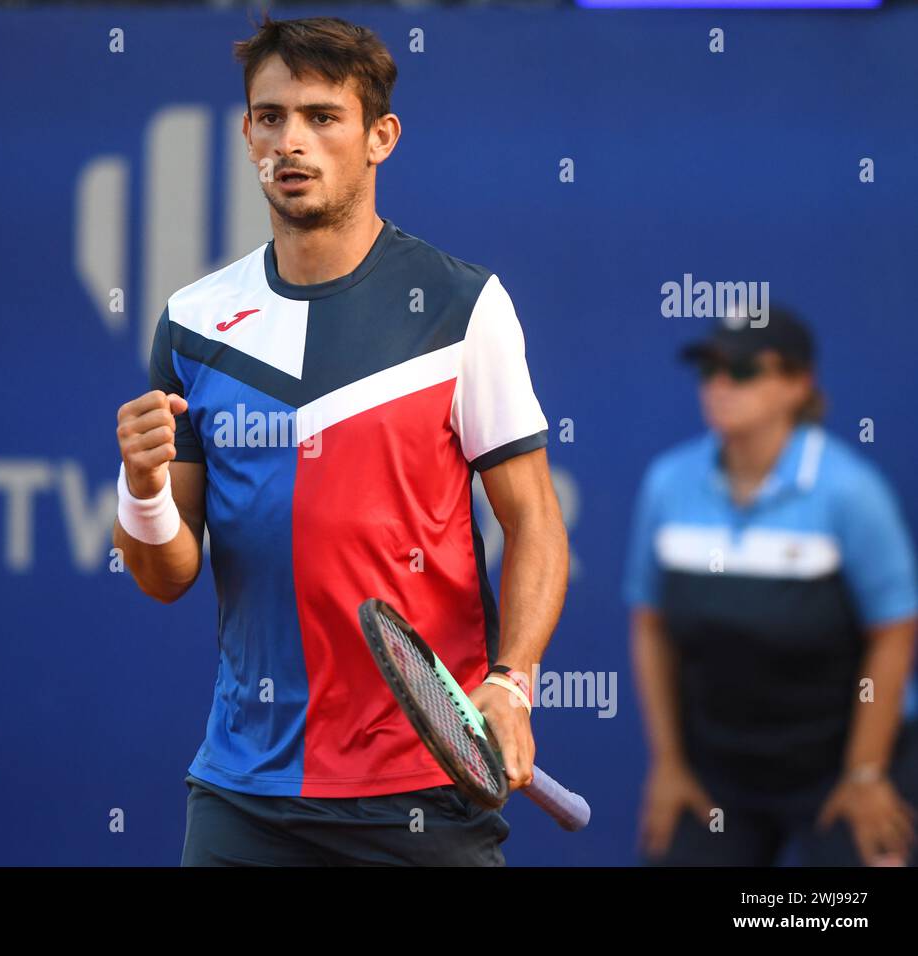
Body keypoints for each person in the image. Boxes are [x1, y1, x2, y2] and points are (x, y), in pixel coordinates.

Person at [111, 15, 568, 866]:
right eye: (271, 117)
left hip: (424, 786)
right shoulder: (192, 323)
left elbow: (536, 519)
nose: (292, 142)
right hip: (245, 791)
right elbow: (164, 576)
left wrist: (511, 683)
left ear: (379, 137)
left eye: (323, 117)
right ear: (247, 133)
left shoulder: (463, 306)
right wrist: (139, 490)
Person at [625, 305, 918, 866]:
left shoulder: (852, 491)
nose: (719, 385)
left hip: (841, 762)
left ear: (798, 384)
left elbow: (893, 632)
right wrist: (669, 764)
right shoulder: (668, 483)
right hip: (719, 769)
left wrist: (864, 772)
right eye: (709, 369)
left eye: (743, 370)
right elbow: (651, 626)